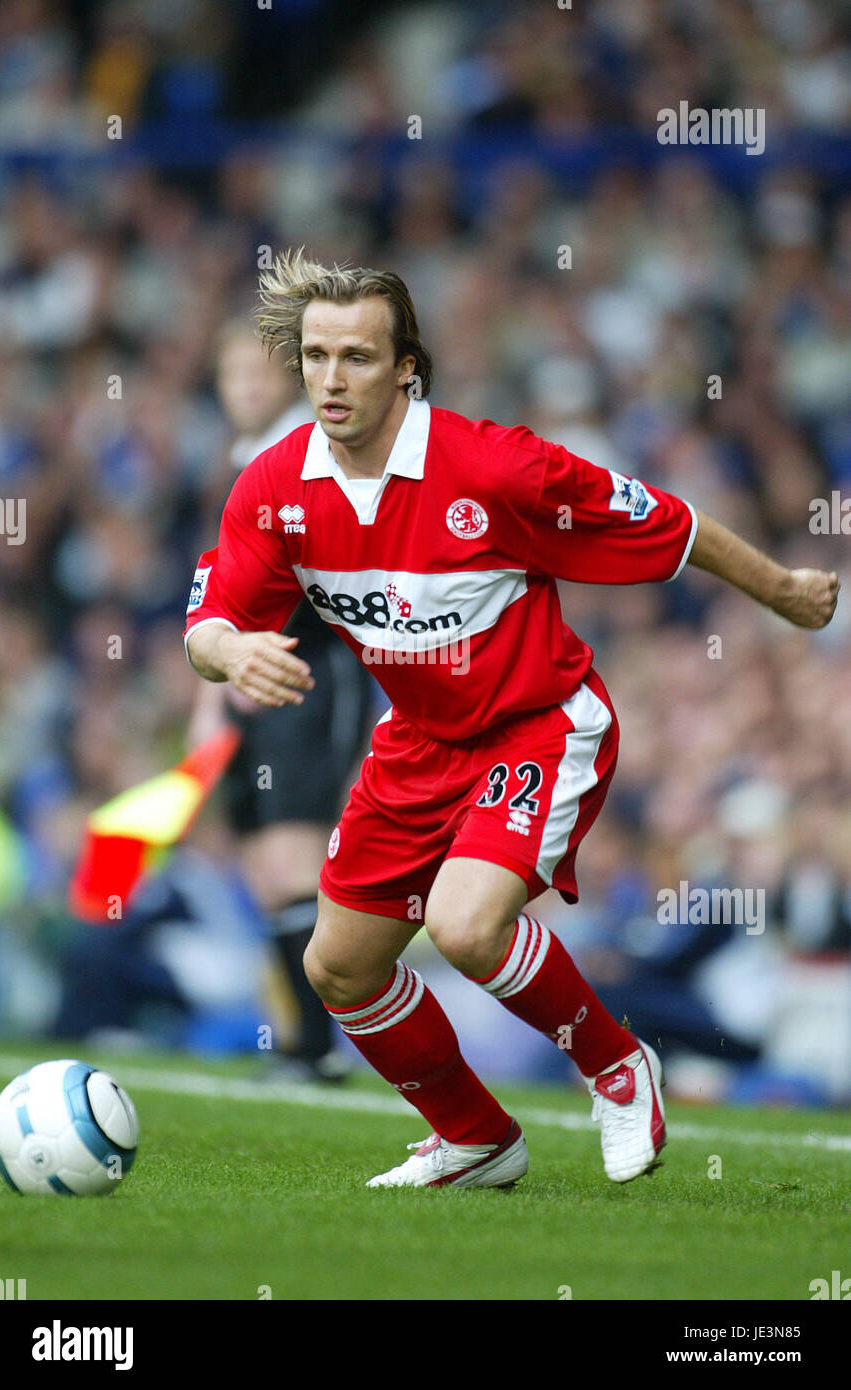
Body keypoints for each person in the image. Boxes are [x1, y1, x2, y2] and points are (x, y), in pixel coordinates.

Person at [183, 250, 839, 1188]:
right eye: (317, 356)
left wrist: (781, 590)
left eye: (357, 357)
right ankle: (475, 1137)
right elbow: (206, 619)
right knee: (336, 968)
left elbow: (668, 522)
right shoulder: (274, 485)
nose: (332, 379)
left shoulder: (494, 467)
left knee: (463, 925)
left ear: (405, 365)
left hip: (540, 725)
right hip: (415, 745)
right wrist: (226, 649)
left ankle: (617, 1066)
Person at [189, 320, 376, 1081]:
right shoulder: (243, 457)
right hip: (251, 679)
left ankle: (319, 1044)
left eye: (260, 375)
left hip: (307, 672)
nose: (247, 390)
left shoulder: (307, 453)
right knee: (267, 871)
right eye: (233, 376)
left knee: (297, 861)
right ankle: (302, 1041)